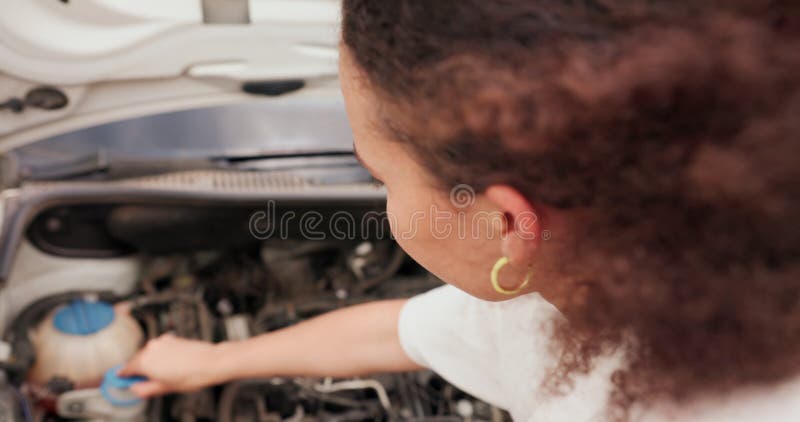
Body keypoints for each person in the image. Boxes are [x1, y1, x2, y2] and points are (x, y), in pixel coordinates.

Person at [120, 1, 800, 420]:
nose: (379, 197)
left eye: (379, 174)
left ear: (508, 224)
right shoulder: (592, 274)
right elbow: (401, 332)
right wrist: (210, 363)